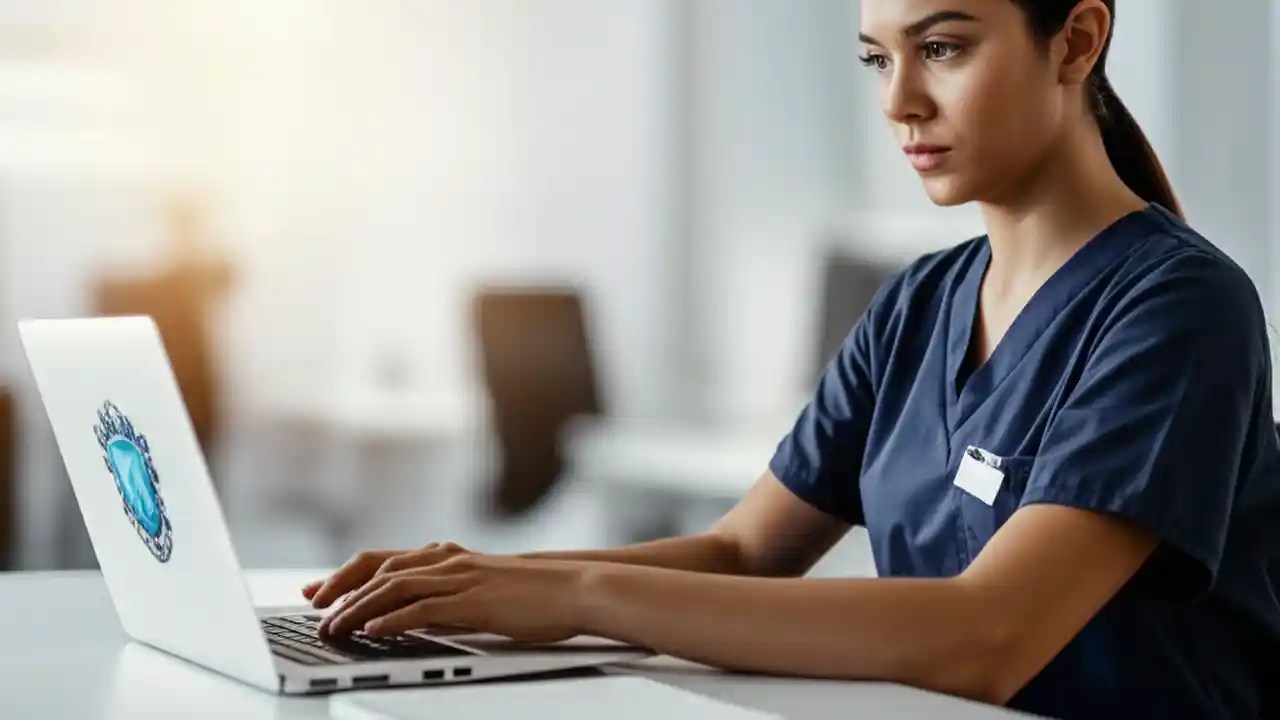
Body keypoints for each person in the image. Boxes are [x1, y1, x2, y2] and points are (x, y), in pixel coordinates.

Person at [301, 1, 1280, 716]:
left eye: (940, 48)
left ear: (1074, 40)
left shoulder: (1178, 307)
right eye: (875, 60)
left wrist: (576, 596)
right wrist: (478, 585)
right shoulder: (916, 302)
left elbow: (989, 635)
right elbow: (742, 553)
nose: (898, 102)